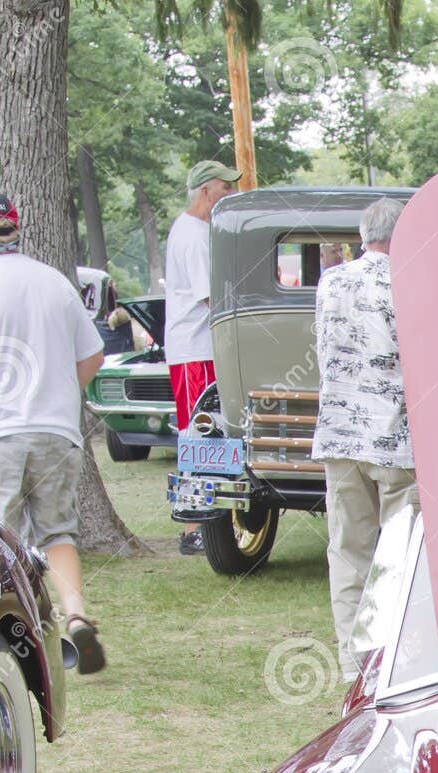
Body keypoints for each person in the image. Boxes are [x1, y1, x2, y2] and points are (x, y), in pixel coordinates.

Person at [0, 190, 107, 673]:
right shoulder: (55, 284)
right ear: (15, 231)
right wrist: (62, 394)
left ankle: (6, 640)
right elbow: (91, 356)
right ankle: (76, 618)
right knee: (57, 533)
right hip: (56, 429)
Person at [310, 196, 415, 679]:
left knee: (349, 549)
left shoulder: (331, 281)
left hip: (339, 435)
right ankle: (397, 656)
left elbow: (323, 348)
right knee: (402, 552)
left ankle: (356, 664)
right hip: (394, 436)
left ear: (363, 234)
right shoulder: (410, 279)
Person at [165, 159, 240, 556]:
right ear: (207, 191)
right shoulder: (194, 235)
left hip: (198, 348)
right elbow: (212, 297)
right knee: (199, 433)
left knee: (206, 432)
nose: (229, 195)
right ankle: (195, 525)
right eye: (225, 189)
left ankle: (207, 518)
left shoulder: (195, 231)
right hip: (196, 349)